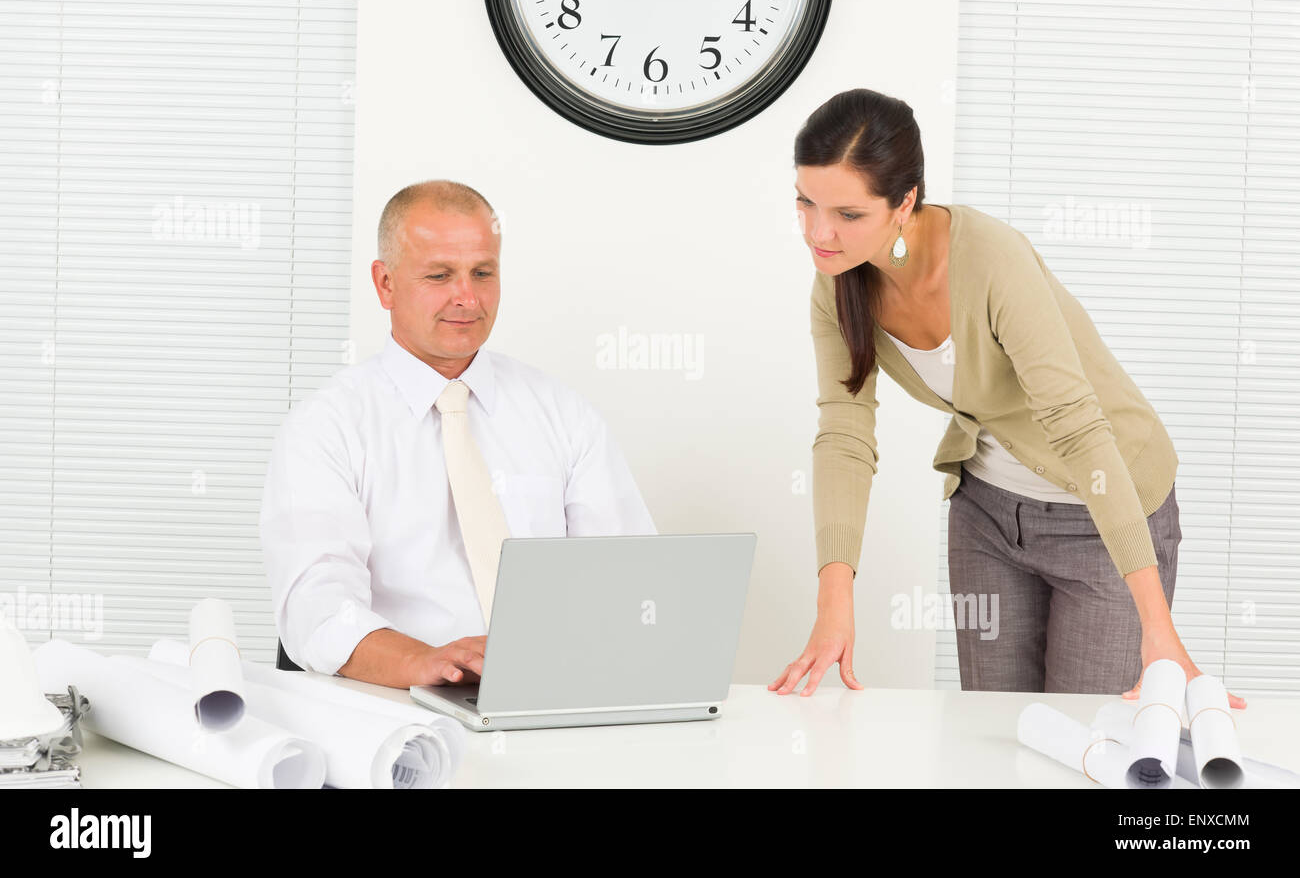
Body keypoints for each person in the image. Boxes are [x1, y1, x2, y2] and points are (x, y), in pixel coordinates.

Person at [769, 88, 1245, 708]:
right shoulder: (836, 285)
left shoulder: (991, 260)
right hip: (988, 518)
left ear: (904, 202)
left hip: (1104, 515)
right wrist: (834, 602)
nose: (818, 231)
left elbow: (1075, 426)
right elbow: (844, 434)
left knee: (1086, 740)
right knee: (997, 740)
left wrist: (1158, 625)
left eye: (848, 214)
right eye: (806, 202)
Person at [261, 180, 656, 688]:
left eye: (482, 273)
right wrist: (422, 663)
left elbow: (629, 579)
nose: (466, 297)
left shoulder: (563, 414)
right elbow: (314, 607)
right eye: (439, 275)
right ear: (385, 284)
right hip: (394, 710)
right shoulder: (326, 427)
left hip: (552, 698)